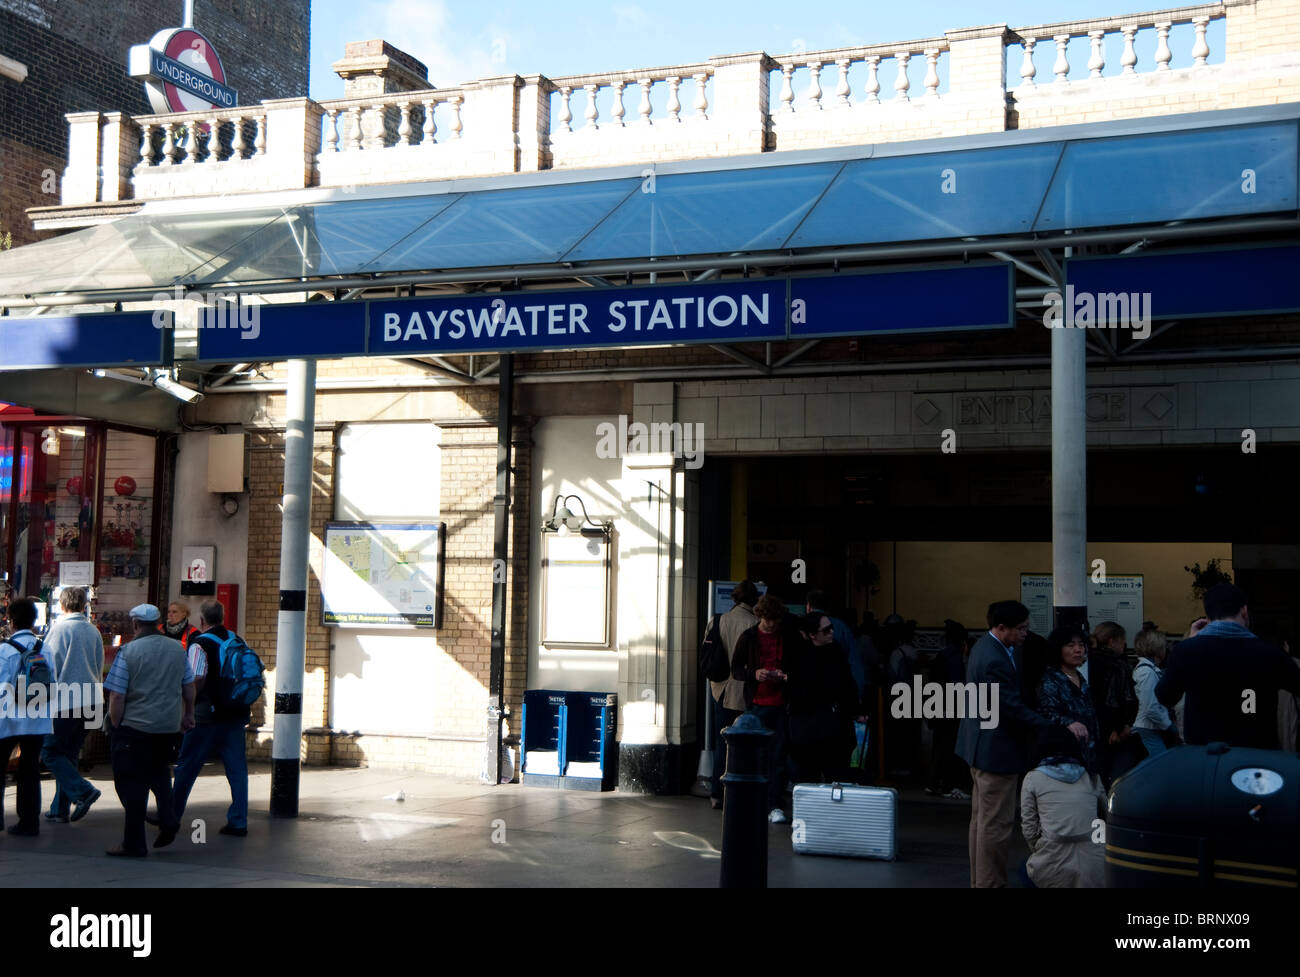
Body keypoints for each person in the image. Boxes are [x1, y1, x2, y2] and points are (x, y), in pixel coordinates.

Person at [956, 600, 1088, 888]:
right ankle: (990, 884)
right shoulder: (994, 659)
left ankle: (981, 882)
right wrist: (1059, 727)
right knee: (996, 826)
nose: (1026, 633)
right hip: (996, 751)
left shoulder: (985, 647)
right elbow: (1011, 707)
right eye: (1022, 628)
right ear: (1002, 628)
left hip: (980, 747)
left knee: (981, 822)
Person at [1156, 583, 1300, 749]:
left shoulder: (1185, 651)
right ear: (1244, 611)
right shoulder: (1269, 654)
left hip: (1204, 753)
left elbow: (1165, 697)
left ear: (1207, 617)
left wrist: (1190, 643)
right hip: (1254, 754)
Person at [104, 603, 195, 856]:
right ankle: (169, 819)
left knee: (132, 783)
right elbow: (188, 685)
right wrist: (188, 714)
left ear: (135, 624)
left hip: (135, 726)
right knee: (160, 773)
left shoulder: (129, 651)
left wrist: (115, 724)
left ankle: (133, 843)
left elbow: (117, 695)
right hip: (168, 726)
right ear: (157, 623)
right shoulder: (177, 649)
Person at [170, 599, 252, 836]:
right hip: (235, 714)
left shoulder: (200, 643)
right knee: (237, 769)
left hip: (206, 716)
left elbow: (197, 678)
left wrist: (188, 709)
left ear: (202, 620)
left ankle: (171, 816)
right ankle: (239, 821)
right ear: (222, 618)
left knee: (187, 766)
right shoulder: (237, 640)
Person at [732, 593, 800, 824]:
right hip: (757, 704)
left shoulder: (787, 636)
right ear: (759, 616)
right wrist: (754, 673)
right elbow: (736, 669)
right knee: (758, 755)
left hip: (780, 704)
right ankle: (759, 802)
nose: (770, 624)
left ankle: (774, 804)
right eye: (767, 619)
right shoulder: (749, 637)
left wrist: (787, 676)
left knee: (778, 757)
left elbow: (797, 665)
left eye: (774, 620)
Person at [40, 586, 104, 823]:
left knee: (50, 752)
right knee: (69, 753)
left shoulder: (60, 629)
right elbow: (98, 664)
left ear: (62, 605)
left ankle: (83, 791)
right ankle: (60, 809)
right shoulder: (93, 631)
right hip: (91, 699)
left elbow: (50, 665)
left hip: (66, 700)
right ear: (85, 605)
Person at [1019, 724, 1106, 888]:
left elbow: (1029, 828)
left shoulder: (1032, 778)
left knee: (1023, 871)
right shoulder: (1092, 777)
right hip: (1095, 866)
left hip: (1052, 865)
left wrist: (1042, 847)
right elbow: (1105, 816)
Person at [785, 612, 861, 785]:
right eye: (826, 630)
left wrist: (855, 709)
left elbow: (847, 685)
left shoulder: (835, 651)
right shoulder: (801, 658)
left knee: (836, 778)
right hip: (813, 728)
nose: (831, 632)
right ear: (812, 635)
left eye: (831, 628)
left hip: (830, 729)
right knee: (811, 778)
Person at [0, 598, 54, 836]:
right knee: (30, 770)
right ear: (34, 621)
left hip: (8, 720)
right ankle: (29, 822)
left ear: (11, 621)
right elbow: (53, 681)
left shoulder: (5, 650)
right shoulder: (45, 649)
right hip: (37, 719)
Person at [709, 581, 758, 809]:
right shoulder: (755, 623)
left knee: (722, 743)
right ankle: (742, 792)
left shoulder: (718, 620)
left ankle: (717, 793)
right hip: (747, 692)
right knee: (748, 745)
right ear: (754, 600)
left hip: (721, 689)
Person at [1035, 627, 1102, 775]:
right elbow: (1046, 712)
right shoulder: (1051, 679)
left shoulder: (1080, 678)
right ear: (1058, 649)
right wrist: (1069, 723)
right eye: (1071, 645)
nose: (1078, 650)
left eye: (1081, 645)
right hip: (1064, 757)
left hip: (1089, 754)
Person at [1088, 622, 1140, 785]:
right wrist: (1119, 726)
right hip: (1113, 728)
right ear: (1112, 641)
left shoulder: (1089, 661)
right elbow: (1115, 699)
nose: (1125, 644)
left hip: (1099, 727)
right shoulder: (1116, 665)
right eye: (1122, 640)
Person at [925, 619, 970, 799]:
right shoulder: (955, 657)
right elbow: (957, 685)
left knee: (940, 746)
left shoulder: (942, 655)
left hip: (938, 706)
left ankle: (934, 783)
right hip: (950, 709)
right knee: (950, 746)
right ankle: (948, 785)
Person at [806, 589, 864, 698]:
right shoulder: (841, 627)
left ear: (808, 606)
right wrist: (857, 694)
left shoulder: (800, 626)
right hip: (836, 691)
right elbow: (854, 662)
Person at [1132, 628, 1177, 759]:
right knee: (1161, 762)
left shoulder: (1149, 670)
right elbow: (1150, 706)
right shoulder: (1147, 672)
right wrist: (1168, 725)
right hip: (1149, 726)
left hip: (1152, 725)